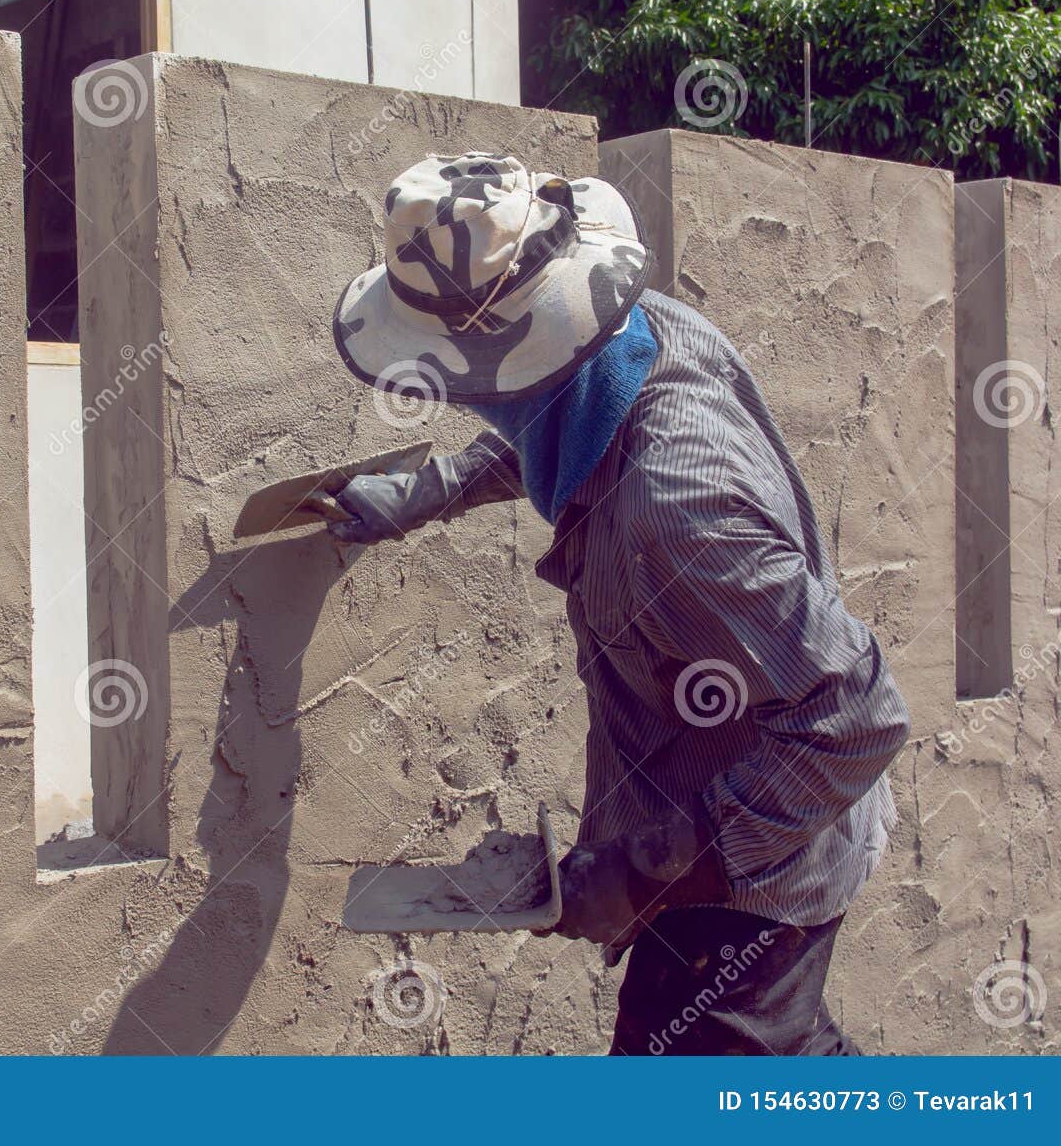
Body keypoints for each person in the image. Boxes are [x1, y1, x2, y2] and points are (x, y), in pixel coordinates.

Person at [326, 151, 909, 1055]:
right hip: (727, 841)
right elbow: (557, 421)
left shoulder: (678, 517)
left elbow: (861, 713)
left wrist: (644, 871)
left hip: (749, 881)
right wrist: (428, 489)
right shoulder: (634, 338)